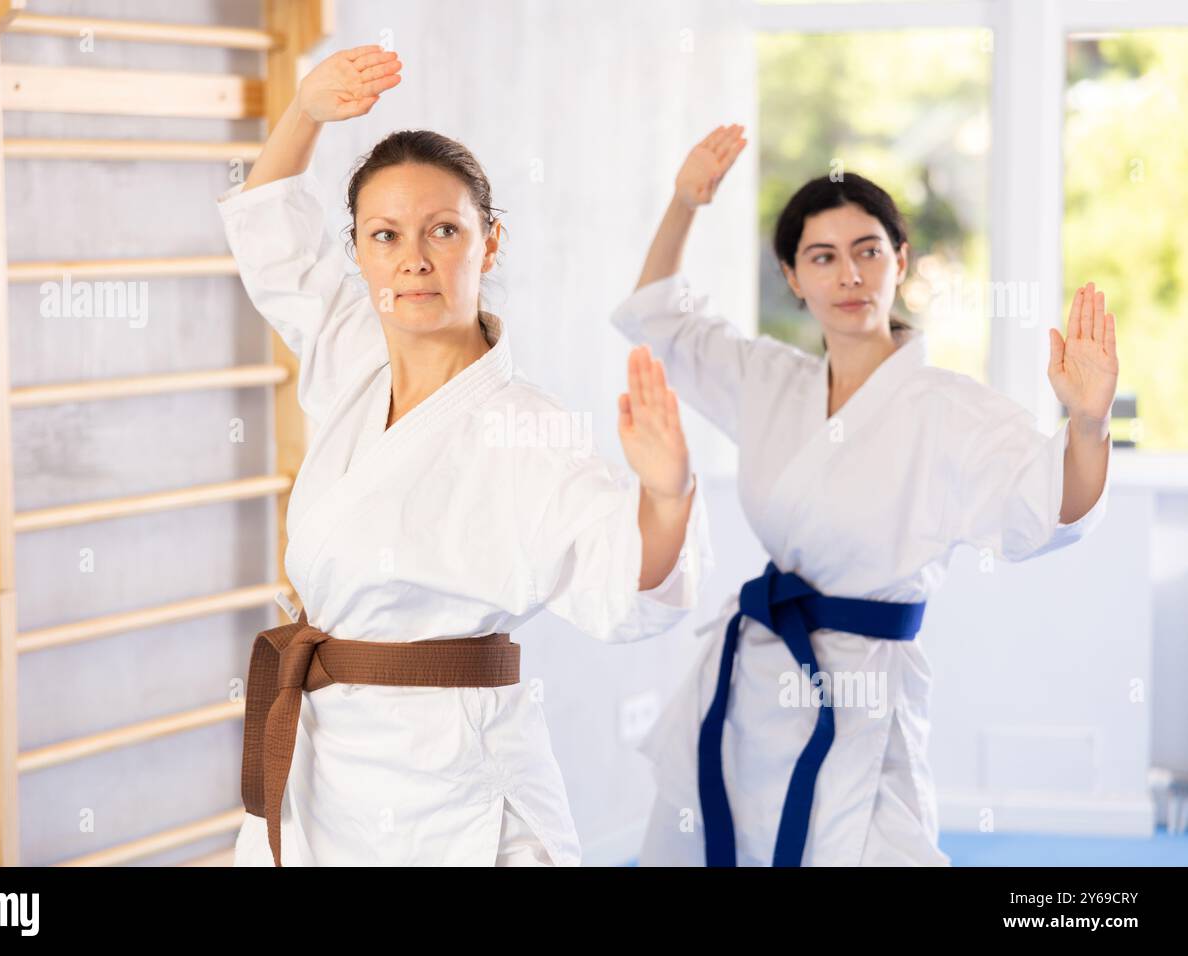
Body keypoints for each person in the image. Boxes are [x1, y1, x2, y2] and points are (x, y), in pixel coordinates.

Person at [216, 45, 712, 866]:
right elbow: (273, 228)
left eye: (444, 230)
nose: (413, 257)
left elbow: (621, 579)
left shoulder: (525, 428)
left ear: (489, 243)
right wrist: (304, 110)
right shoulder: (351, 352)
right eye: (386, 235)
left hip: (454, 784)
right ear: (362, 252)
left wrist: (665, 496)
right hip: (325, 761)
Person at [611, 125, 1117, 866]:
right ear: (793, 275)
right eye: (823, 256)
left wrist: (1089, 422)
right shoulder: (769, 380)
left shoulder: (946, 406)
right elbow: (662, 316)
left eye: (868, 251)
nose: (849, 274)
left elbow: (1048, 508)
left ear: (899, 261)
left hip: (868, 695)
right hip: (755, 671)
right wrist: (686, 201)